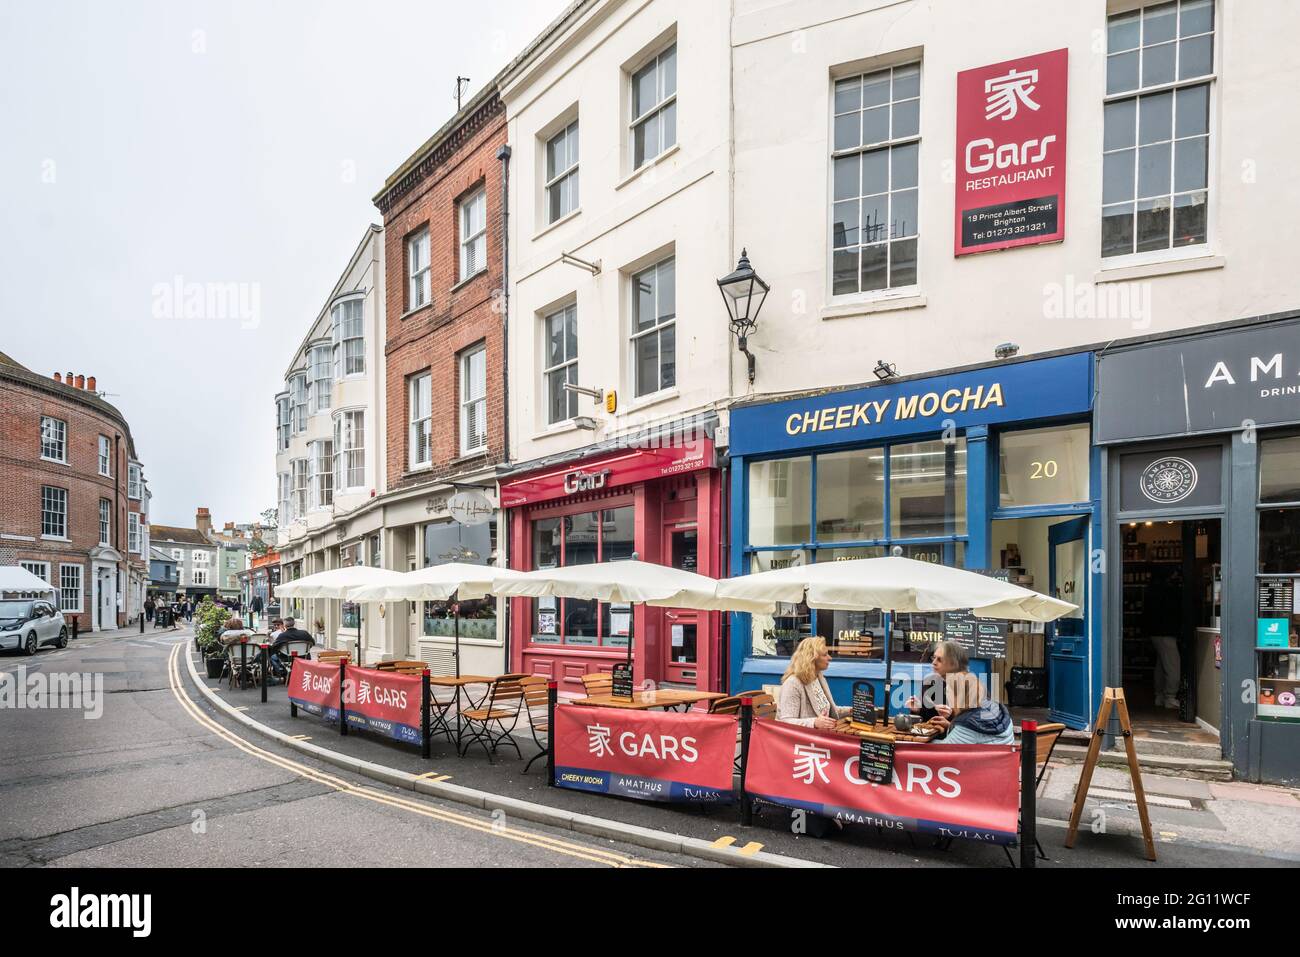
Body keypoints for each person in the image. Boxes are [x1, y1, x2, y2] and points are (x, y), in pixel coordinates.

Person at [907, 640, 1013, 745]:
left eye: (939, 659)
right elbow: (925, 721)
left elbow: (970, 729)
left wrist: (951, 718)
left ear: (953, 663)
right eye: (933, 658)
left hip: (955, 746)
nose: (934, 662)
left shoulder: (970, 684)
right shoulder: (929, 682)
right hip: (947, 739)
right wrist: (917, 711)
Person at [777, 636, 852, 730]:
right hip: (802, 741)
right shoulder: (792, 683)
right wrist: (814, 723)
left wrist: (852, 711)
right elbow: (786, 721)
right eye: (825, 655)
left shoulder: (818, 677)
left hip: (820, 736)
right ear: (812, 659)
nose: (830, 658)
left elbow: (831, 710)